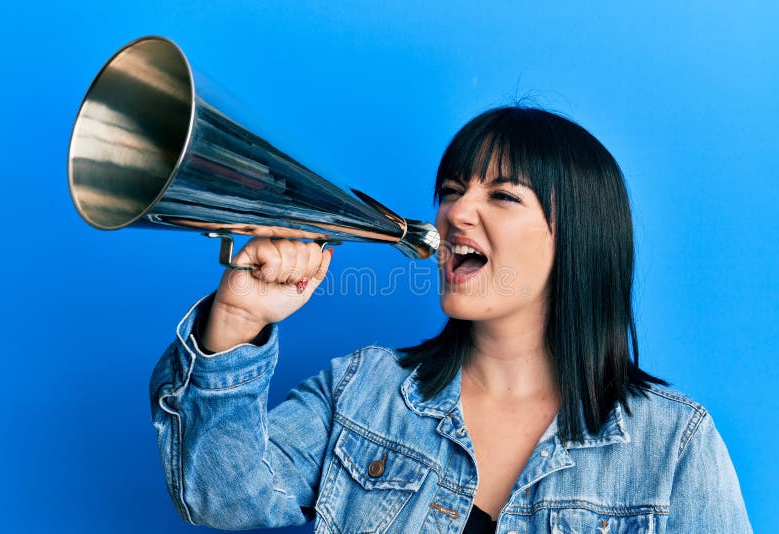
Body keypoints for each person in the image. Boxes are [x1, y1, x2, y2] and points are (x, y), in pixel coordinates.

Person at [150, 106, 752, 532]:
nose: (455, 211)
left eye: (503, 195)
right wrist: (236, 320)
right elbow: (221, 499)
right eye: (451, 189)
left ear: (577, 238)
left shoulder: (674, 447)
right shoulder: (364, 389)